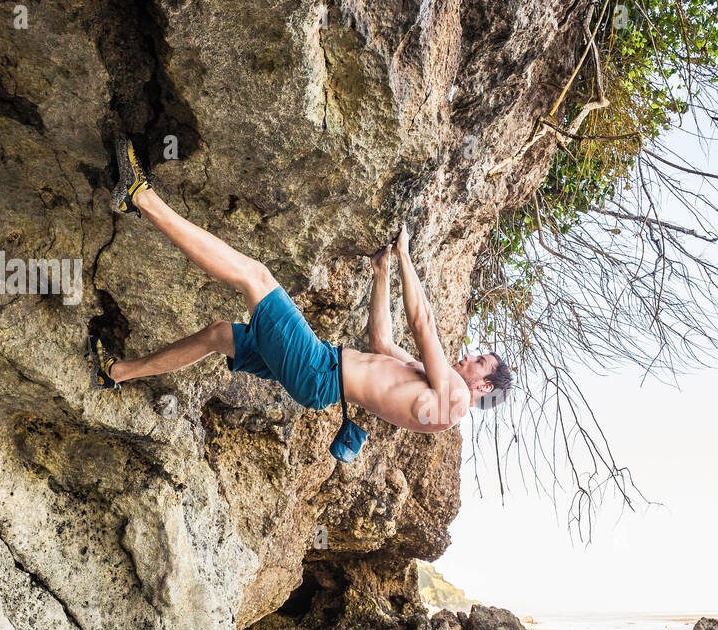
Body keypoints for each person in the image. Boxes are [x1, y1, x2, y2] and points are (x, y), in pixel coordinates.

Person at [90, 138, 513, 459]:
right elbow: (382, 345)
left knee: (256, 276)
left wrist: (406, 258)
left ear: (483, 385)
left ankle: (140, 197)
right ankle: (117, 372)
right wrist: (381, 276)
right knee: (220, 334)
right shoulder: (436, 387)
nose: (470, 356)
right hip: (322, 371)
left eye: (480, 360)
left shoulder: (453, 400)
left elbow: (423, 323)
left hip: (319, 372)